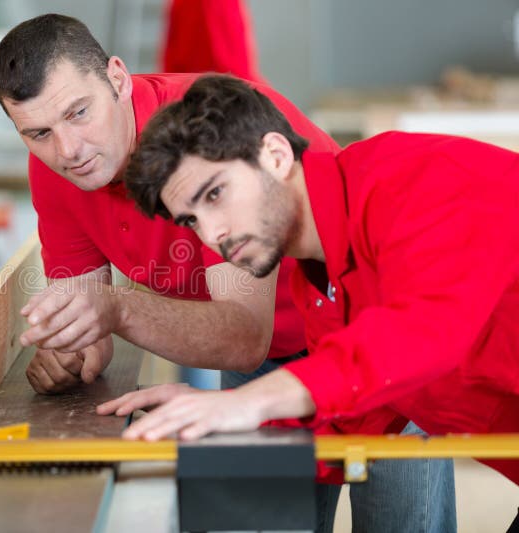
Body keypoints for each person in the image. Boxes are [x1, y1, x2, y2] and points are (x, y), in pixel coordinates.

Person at [0, 15, 454, 531]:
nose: (68, 149)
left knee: (403, 523)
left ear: (117, 78)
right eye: (38, 133)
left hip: (379, 335)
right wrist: (66, 353)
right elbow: (88, 330)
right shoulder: (61, 169)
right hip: (270, 356)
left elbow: (242, 333)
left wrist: (116, 309)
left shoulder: (203, 134)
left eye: (79, 113)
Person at [107, 74, 519, 491]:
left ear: (275, 155)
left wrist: (249, 401)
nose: (211, 234)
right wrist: (211, 428)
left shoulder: (408, 180)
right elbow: (344, 428)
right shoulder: (322, 293)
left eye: (215, 195)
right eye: (191, 220)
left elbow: (422, 331)